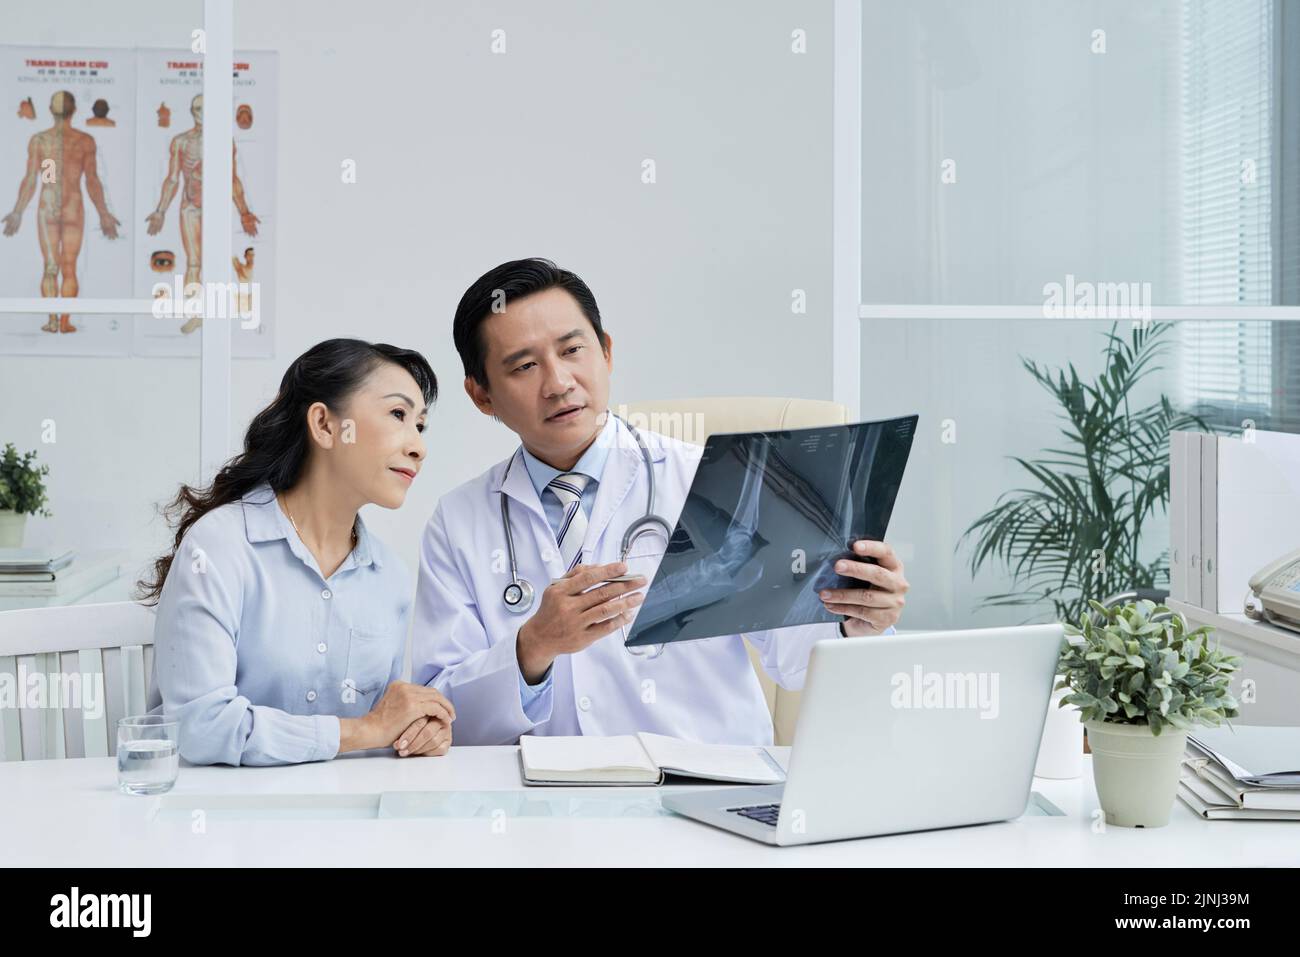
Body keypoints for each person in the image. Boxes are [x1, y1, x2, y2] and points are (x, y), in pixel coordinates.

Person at [411, 258, 909, 746]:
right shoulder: (459, 521)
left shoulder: (717, 480)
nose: (558, 383)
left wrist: (859, 619)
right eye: (524, 365)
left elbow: (799, 659)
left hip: (704, 792)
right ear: (482, 396)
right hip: (539, 805)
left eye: (572, 350)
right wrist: (534, 645)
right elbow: (441, 715)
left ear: (605, 352)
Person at [142, 338, 455, 765]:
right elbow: (199, 727)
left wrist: (415, 732)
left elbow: (383, 728)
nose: (418, 446)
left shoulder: (390, 577)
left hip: (344, 818)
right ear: (325, 425)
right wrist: (366, 729)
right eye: (398, 414)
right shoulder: (219, 546)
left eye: (420, 426)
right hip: (218, 818)